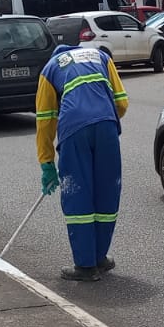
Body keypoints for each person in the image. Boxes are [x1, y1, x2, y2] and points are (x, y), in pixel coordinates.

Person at [35, 43, 128, 282]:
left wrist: (47, 162)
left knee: (78, 195)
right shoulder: (101, 57)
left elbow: (45, 119)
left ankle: (85, 266)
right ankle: (99, 258)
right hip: (107, 125)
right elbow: (122, 103)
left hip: (74, 130)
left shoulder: (50, 68)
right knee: (106, 192)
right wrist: (101, 118)